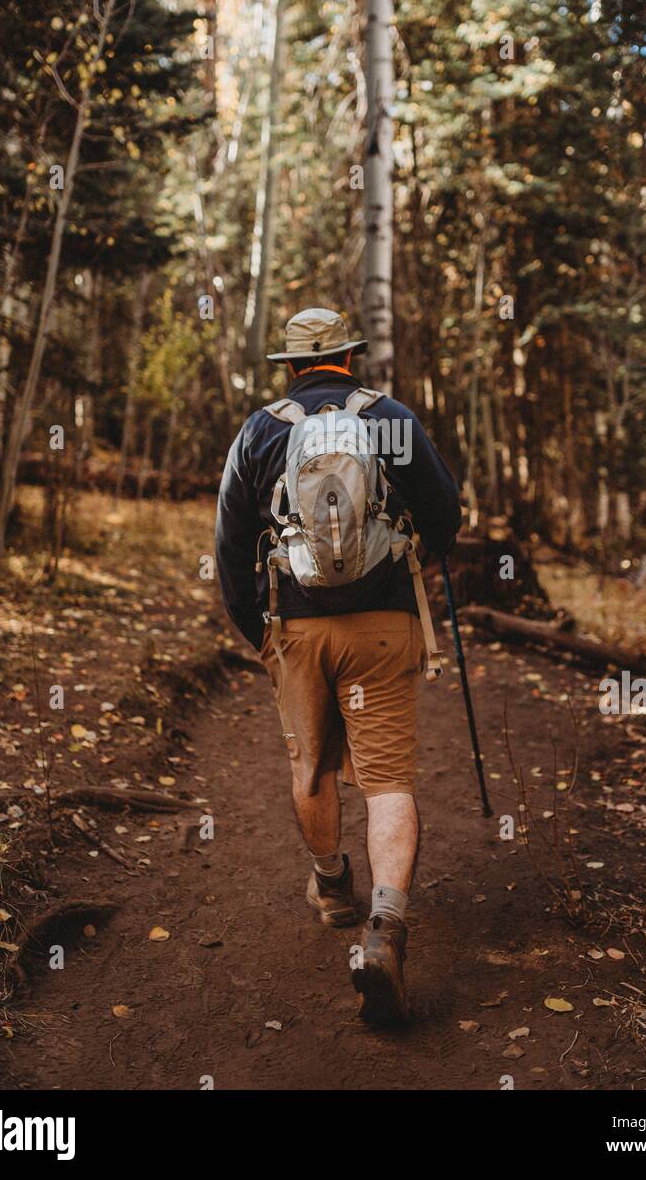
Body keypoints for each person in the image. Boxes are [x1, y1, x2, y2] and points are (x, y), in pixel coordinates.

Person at [215, 307, 460, 1024]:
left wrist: (257, 632)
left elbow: (231, 543)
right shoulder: (389, 418)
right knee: (387, 780)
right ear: (349, 358)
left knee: (312, 766)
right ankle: (385, 928)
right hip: (383, 623)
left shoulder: (260, 429)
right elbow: (444, 517)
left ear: (289, 366)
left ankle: (331, 886)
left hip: (294, 624)